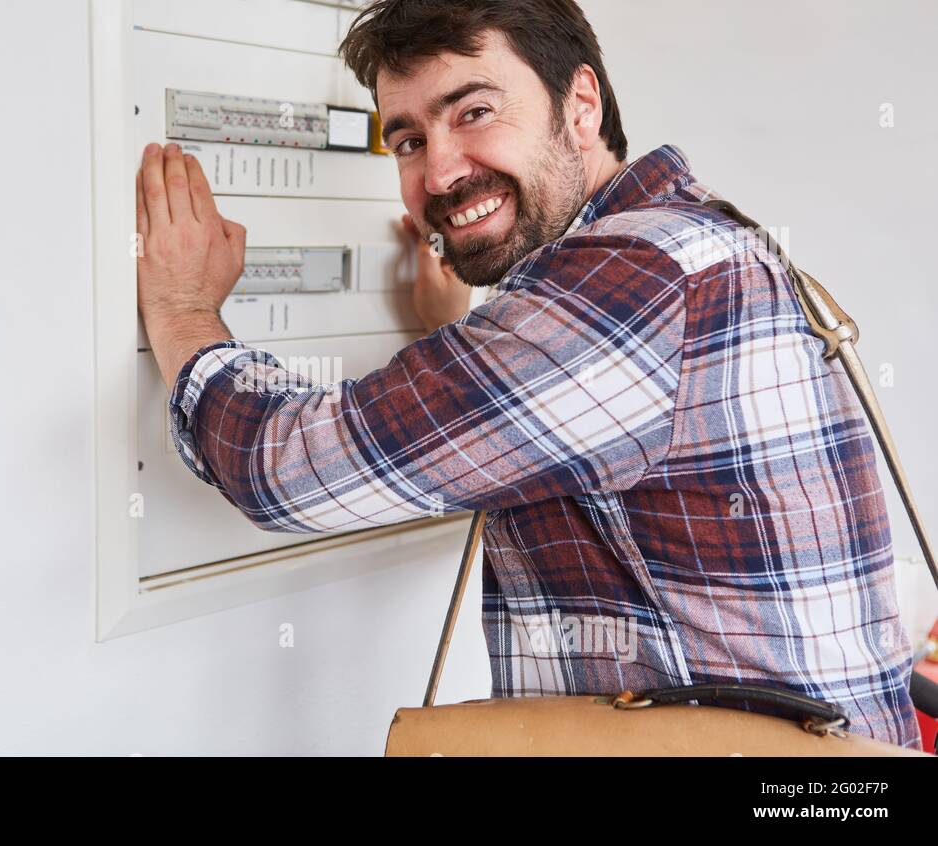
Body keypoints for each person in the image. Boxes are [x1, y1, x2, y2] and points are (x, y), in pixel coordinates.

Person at [133, 0, 921, 748]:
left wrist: (181, 309)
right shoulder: (697, 239)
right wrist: (461, 335)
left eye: (473, 112)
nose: (438, 175)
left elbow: (286, 471)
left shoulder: (635, 281)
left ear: (580, 103)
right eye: (408, 141)